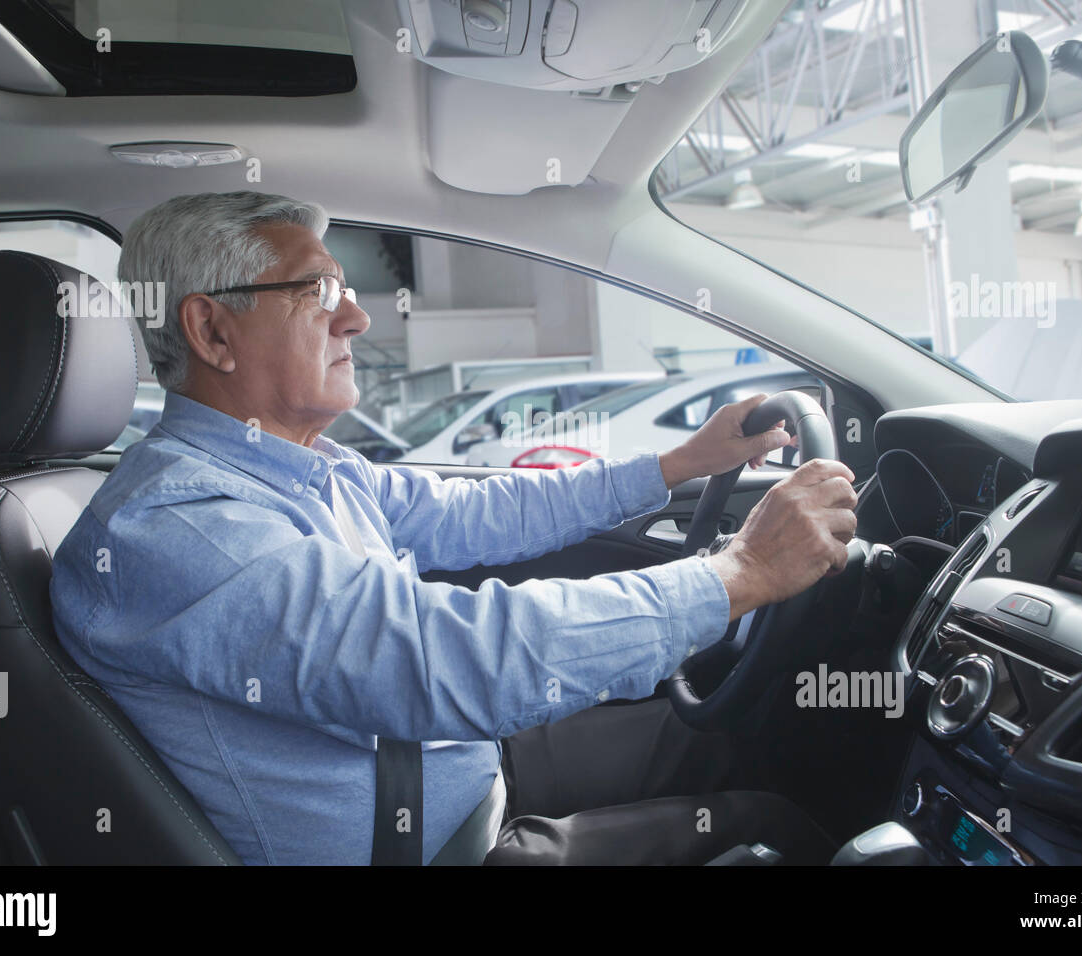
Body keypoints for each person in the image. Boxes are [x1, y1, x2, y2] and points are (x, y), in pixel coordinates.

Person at [49, 191, 857, 865]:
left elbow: (469, 512)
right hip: (437, 850)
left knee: (741, 735)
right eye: (322, 293)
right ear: (212, 332)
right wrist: (740, 572)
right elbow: (442, 660)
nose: (359, 318)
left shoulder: (296, 466)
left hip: (455, 778)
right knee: (769, 831)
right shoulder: (180, 527)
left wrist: (676, 465)